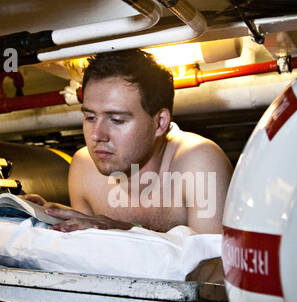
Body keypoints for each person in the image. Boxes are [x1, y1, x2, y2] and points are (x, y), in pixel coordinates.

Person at [26, 49, 233, 235]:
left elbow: (214, 268)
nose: (97, 135)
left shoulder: (200, 161)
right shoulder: (84, 167)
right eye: (90, 117)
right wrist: (48, 219)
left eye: (117, 120)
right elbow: (90, 259)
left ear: (160, 123)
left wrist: (119, 230)